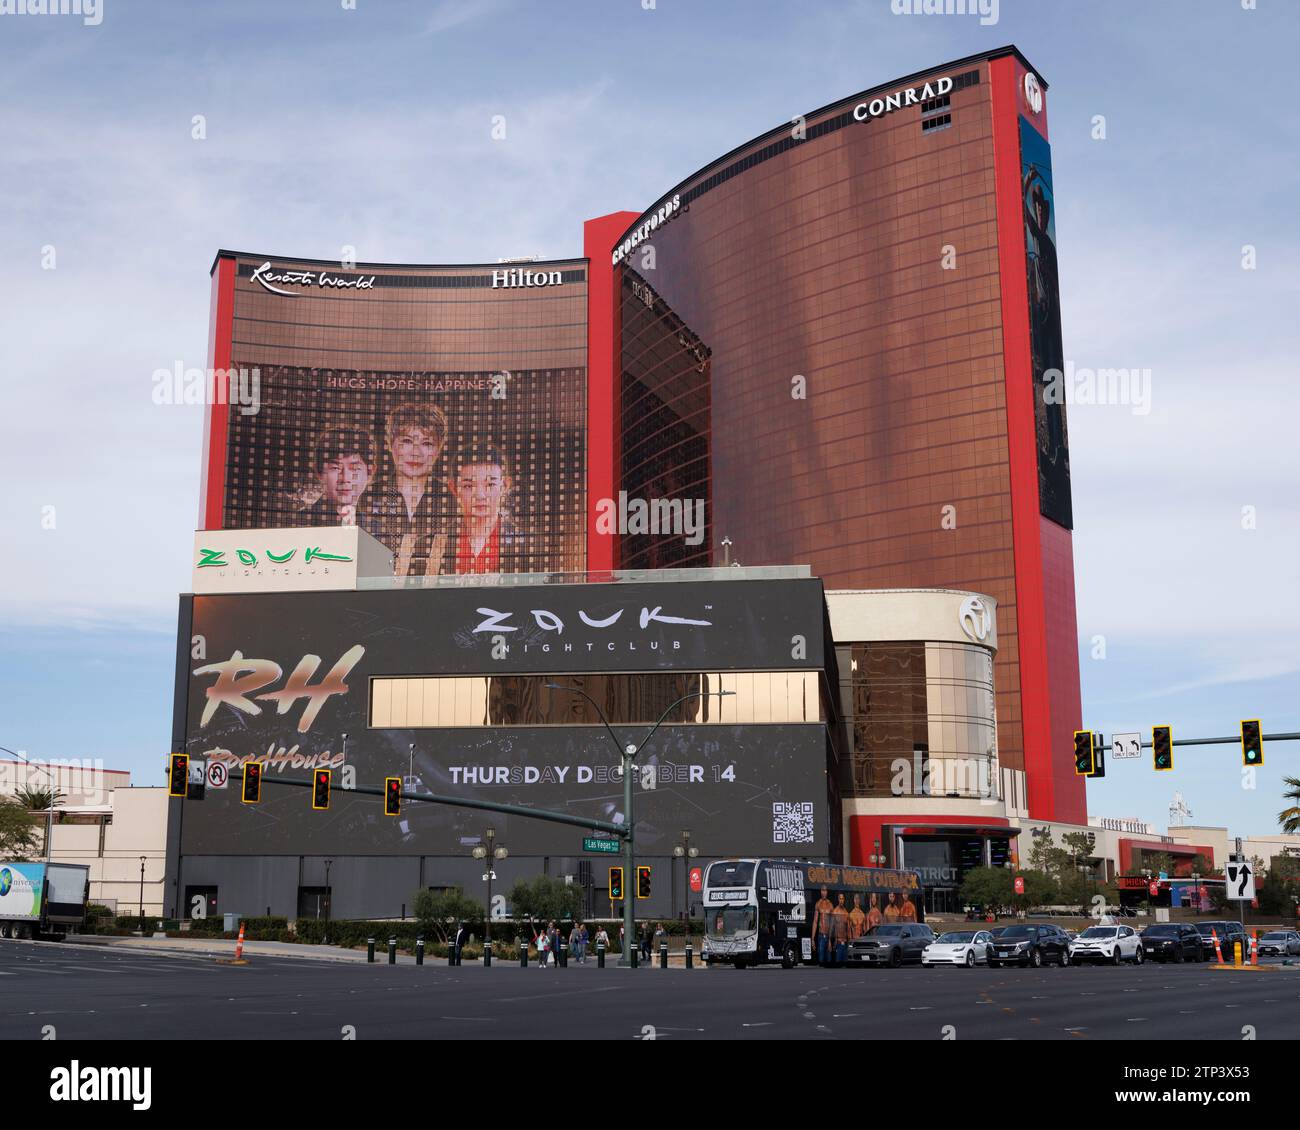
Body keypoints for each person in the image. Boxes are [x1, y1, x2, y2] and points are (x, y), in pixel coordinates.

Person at [364, 403, 454, 577]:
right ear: (390, 444)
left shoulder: (451, 501)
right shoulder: (369, 498)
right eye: (406, 441)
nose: (415, 453)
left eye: (427, 443)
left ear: (439, 448)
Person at [443, 442, 533, 574]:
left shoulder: (527, 544)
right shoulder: (435, 544)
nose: (480, 495)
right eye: (468, 486)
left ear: (505, 485)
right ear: (454, 488)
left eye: (490, 484)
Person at [303, 426, 376, 526]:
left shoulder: (376, 530)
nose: (345, 479)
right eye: (335, 468)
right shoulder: (299, 523)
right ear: (318, 472)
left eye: (355, 468)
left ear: (370, 472)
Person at [811, 886, 834, 966]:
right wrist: (812, 938)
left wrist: (830, 940)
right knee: (820, 961)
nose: (824, 892)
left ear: (827, 892)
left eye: (825, 891)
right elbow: (815, 922)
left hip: (828, 936)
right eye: (822, 890)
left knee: (829, 960)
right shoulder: (818, 904)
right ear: (821, 891)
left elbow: (831, 924)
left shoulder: (830, 905)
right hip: (820, 936)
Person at [831, 893, 851, 966]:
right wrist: (832, 941)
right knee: (838, 964)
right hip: (838, 942)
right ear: (838, 899)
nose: (841, 900)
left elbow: (848, 929)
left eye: (842, 899)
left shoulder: (846, 913)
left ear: (844, 900)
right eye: (840, 898)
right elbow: (832, 928)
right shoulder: (835, 912)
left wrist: (849, 942)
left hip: (845, 942)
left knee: (845, 964)